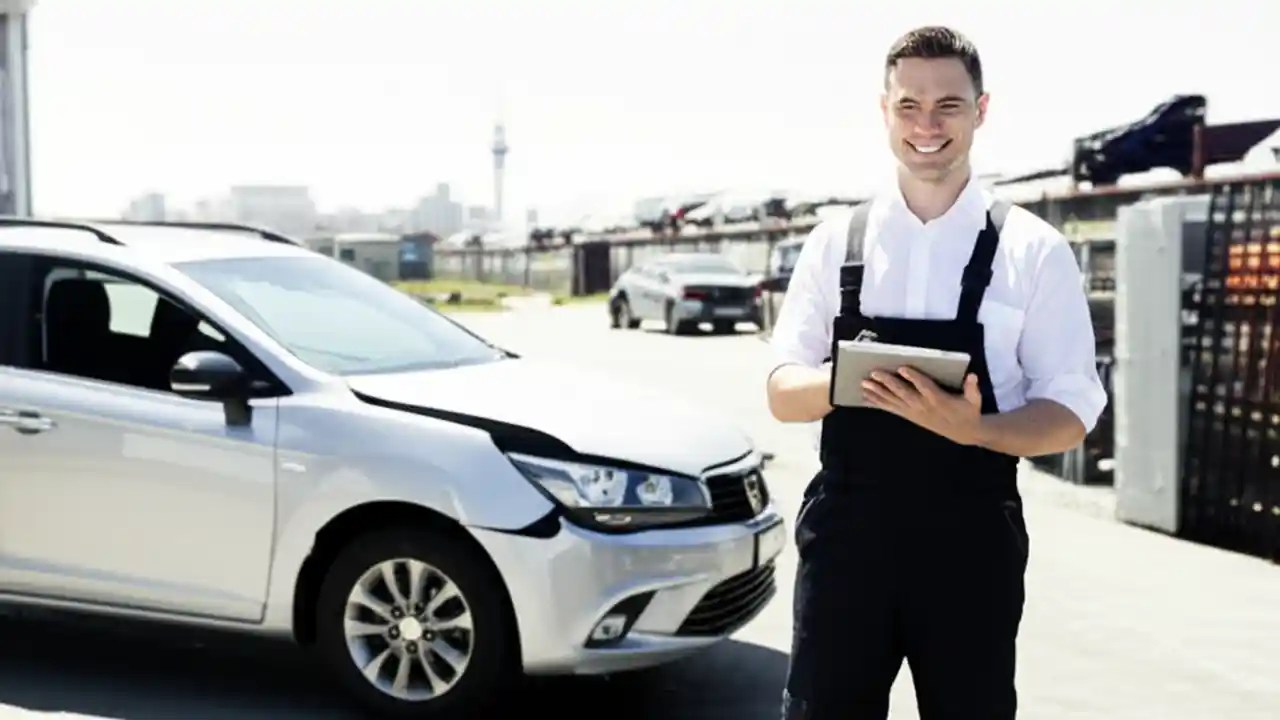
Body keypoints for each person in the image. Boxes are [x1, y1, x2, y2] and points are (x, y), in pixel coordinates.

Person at [765, 25, 1107, 720]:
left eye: (948, 105)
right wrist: (850, 383)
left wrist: (973, 427)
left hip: (970, 539)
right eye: (908, 105)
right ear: (883, 109)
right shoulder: (836, 242)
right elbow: (780, 392)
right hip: (847, 536)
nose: (927, 125)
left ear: (982, 110)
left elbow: (1071, 412)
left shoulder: (1031, 250)